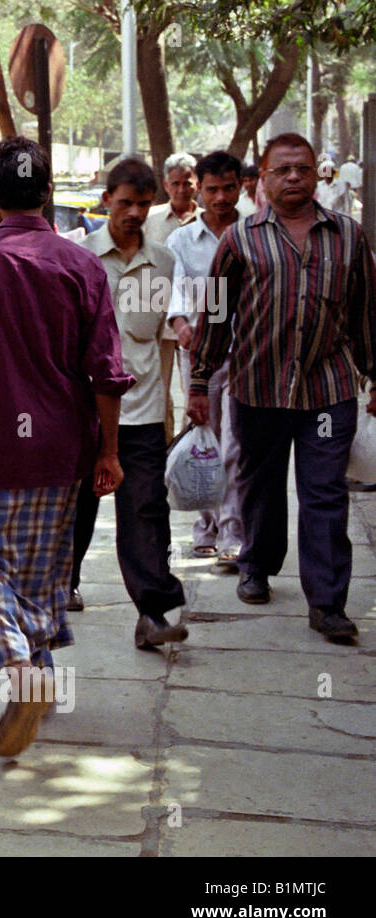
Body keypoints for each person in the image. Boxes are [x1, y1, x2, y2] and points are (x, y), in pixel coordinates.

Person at [0, 137, 131, 757]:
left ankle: (20, 672)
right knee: (41, 572)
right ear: (48, 193)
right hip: (58, 444)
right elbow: (106, 369)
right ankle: (40, 679)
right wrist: (108, 452)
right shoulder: (81, 264)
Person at [189, 132, 376, 645]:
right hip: (258, 386)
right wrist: (201, 381)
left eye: (303, 168)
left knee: (324, 493)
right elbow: (216, 316)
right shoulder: (241, 240)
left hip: (328, 387)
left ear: (318, 175)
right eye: (282, 169)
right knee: (262, 486)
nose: (294, 176)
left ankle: (328, 603)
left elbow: (365, 313)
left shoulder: (349, 236)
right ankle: (257, 564)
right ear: (264, 179)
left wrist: (374, 373)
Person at [69, 157, 187, 649]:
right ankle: (61, 584)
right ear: (106, 201)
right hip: (80, 412)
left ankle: (154, 613)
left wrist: (172, 407)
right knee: (74, 508)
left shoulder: (163, 261)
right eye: (125, 203)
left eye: (143, 204)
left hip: (139, 412)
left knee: (145, 509)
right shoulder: (76, 256)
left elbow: (164, 340)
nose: (135, 213)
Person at [166, 150, 246, 572]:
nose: (220, 197)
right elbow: (175, 292)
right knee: (204, 442)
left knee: (234, 444)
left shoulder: (253, 232)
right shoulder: (181, 239)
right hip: (199, 357)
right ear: (200, 188)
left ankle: (233, 534)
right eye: (211, 189)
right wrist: (182, 326)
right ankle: (206, 528)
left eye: (228, 188)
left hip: (247, 354)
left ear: (241, 186)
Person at [145, 152, 198, 441]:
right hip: (158, 315)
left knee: (197, 387)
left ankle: (190, 445)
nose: (181, 189)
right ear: (166, 185)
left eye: (187, 183)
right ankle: (163, 448)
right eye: (176, 183)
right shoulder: (151, 220)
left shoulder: (209, 220)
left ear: (197, 184)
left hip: (200, 316)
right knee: (158, 387)